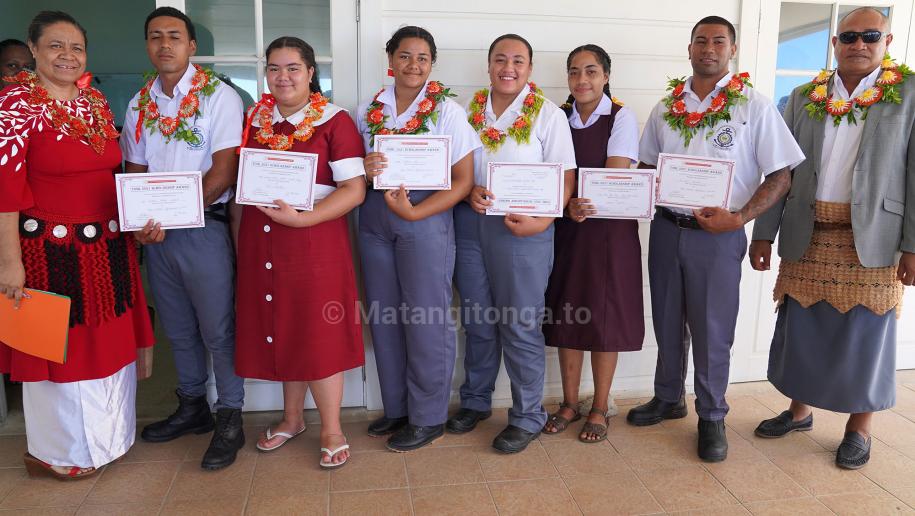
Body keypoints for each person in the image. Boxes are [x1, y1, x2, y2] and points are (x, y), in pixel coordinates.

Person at [628, 15, 805, 463]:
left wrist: (741, 217)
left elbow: (782, 174)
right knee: (667, 320)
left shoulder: (754, 106)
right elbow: (647, 168)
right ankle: (668, 397)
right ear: (689, 49)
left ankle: (712, 415)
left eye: (718, 41)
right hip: (668, 229)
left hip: (718, 236)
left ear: (733, 49)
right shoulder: (667, 107)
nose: (709, 48)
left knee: (711, 330)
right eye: (701, 41)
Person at [750, 7, 915, 469]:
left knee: (865, 336)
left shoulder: (910, 93)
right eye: (849, 36)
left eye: (869, 35)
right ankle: (799, 412)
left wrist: (914, 245)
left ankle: (859, 429)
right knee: (803, 328)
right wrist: (763, 233)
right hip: (809, 234)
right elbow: (780, 172)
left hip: (874, 239)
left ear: (887, 40)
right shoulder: (804, 96)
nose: (858, 44)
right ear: (835, 42)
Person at [0, 10, 154, 479]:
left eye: (76, 48)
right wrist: (9, 264)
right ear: (33, 51)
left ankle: (110, 441)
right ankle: (60, 454)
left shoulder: (95, 103)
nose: (67, 56)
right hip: (49, 252)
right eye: (55, 46)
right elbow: (4, 191)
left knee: (106, 347)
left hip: (107, 247)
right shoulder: (13, 106)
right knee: (58, 350)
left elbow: (113, 173)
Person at [120, 7, 245, 471]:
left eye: (175, 36)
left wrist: (180, 213)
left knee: (218, 328)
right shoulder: (138, 103)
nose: (165, 44)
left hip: (202, 227)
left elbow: (224, 167)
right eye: (155, 37)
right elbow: (134, 168)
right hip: (156, 235)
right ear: (148, 46)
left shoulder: (219, 96)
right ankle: (193, 407)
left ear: (192, 46)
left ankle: (230, 415)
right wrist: (138, 220)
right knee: (177, 329)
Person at [234, 36, 366, 468]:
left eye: (293, 68)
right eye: (274, 68)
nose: (283, 76)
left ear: (311, 73)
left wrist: (305, 220)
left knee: (318, 331)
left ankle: (331, 427)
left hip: (315, 241)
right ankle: (292, 418)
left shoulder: (335, 122)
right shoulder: (255, 119)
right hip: (263, 239)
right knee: (280, 323)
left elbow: (354, 190)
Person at [447, 34, 576, 453]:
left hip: (525, 230)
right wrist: (467, 192)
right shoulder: (468, 111)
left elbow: (565, 177)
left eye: (518, 61)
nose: (509, 67)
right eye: (500, 59)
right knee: (479, 320)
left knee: (519, 322)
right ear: (488, 65)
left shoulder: (548, 115)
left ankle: (527, 415)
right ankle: (476, 401)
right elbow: (458, 168)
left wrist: (541, 222)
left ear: (530, 69)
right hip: (472, 226)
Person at [355, 26, 477, 452]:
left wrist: (416, 212)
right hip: (374, 217)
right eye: (405, 56)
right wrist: (365, 167)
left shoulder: (447, 111)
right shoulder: (369, 108)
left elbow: (463, 182)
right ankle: (398, 408)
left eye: (423, 58)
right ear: (390, 60)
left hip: (424, 215)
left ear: (432, 64)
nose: (414, 65)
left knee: (425, 317)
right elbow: (357, 170)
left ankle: (428, 417)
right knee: (384, 315)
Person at [541, 44, 643, 443]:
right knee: (568, 314)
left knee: (604, 318)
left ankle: (599, 406)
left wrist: (577, 198)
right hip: (567, 227)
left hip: (608, 233)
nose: (581, 80)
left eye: (591, 71)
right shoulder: (556, 116)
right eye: (574, 72)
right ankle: (568, 403)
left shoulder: (622, 117)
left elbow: (614, 176)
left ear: (605, 76)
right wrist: (567, 204)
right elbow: (547, 169)